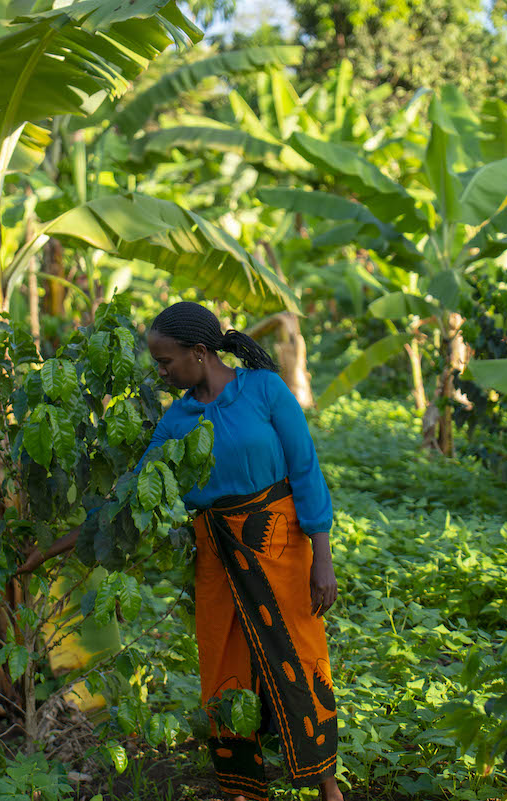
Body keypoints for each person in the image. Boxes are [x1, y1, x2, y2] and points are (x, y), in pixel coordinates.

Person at [22, 302, 342, 801]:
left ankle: (327, 788)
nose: (161, 372)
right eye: (157, 362)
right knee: (224, 666)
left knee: (300, 659)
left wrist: (323, 557)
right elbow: (132, 496)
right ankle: (242, 789)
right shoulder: (177, 423)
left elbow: (306, 471)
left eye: (166, 361)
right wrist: (56, 549)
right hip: (217, 558)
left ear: (200, 352)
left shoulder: (264, 390)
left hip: (281, 545)